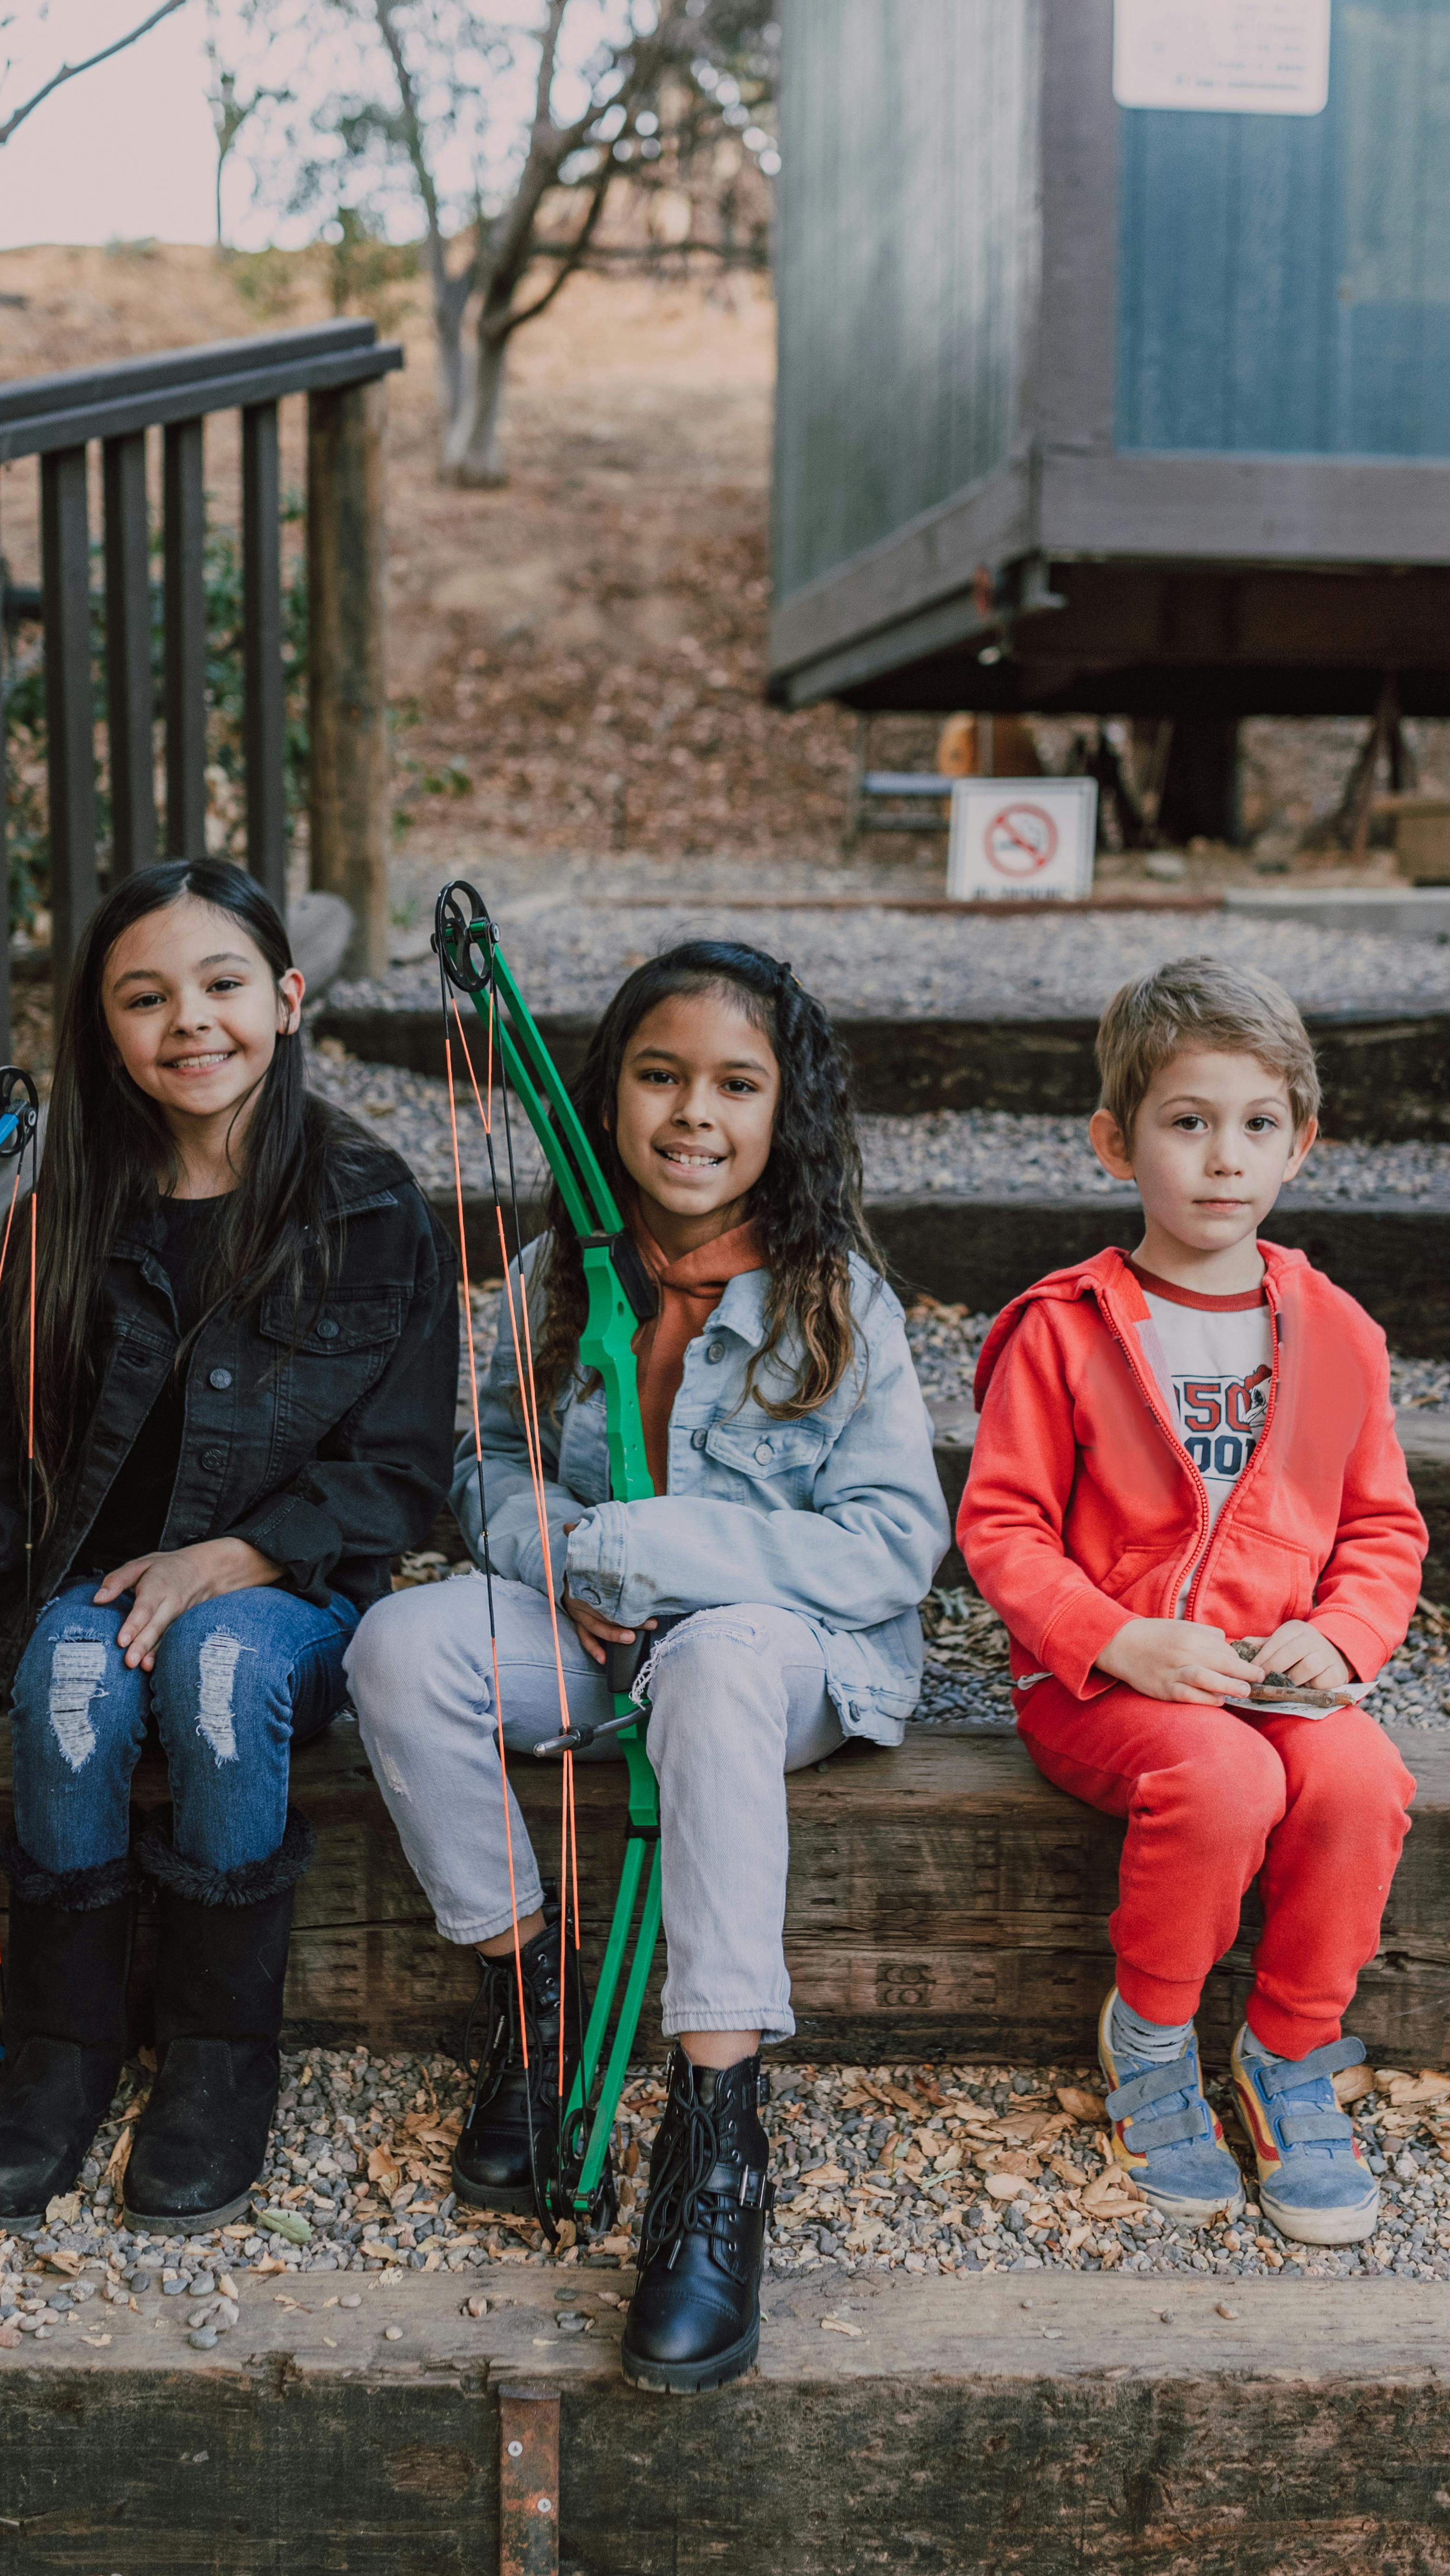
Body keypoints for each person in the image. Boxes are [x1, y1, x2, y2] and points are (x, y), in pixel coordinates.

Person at [0, 859, 457, 2239]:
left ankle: (222, 2055)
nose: (192, 1022)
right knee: (68, 1680)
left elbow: (404, 1473)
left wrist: (235, 1557)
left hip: (291, 1604)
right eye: (145, 996)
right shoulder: (69, 1207)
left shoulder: (368, 1203)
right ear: (105, 1029)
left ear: (286, 1000)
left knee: (221, 1672)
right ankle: (65, 2044)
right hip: (90, 1597)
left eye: (224, 985)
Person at [345, 940, 947, 2392]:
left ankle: (715, 2131)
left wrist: (667, 1551)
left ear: (781, 1112)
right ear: (607, 1099)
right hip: (602, 1640)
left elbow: (889, 1549)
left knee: (724, 1660)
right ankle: (534, 2011)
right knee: (398, 1645)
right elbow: (483, 1466)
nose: (694, 1113)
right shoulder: (562, 1276)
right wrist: (555, 1543)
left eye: (736, 1085)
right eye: (661, 1076)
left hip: (782, 1663)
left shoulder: (836, 1299)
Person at [958, 957, 1426, 2249]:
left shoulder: (1335, 1334)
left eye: (1258, 1125)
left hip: (1274, 1675)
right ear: (1117, 1140)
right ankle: (1154, 2036)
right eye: (1187, 1121)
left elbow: (1383, 1530)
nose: (1225, 1158)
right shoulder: (1065, 1330)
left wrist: (1333, 1641)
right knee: (1224, 1785)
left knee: (1357, 1780)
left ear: (1303, 1145)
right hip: (1103, 1685)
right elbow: (1001, 1528)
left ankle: (1287, 2050)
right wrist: (1118, 1639)